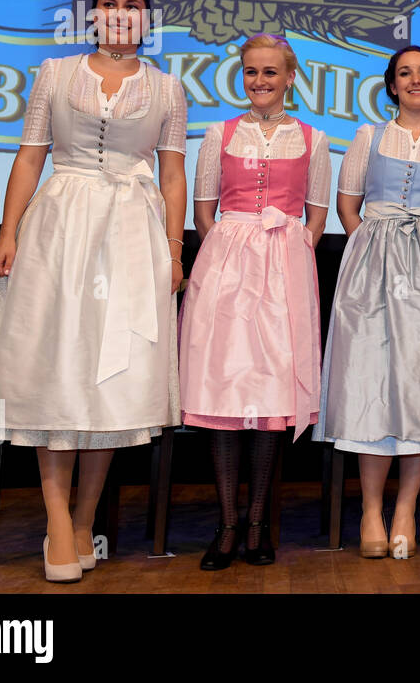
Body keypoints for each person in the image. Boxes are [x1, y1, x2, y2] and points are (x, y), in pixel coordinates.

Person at [0, 0, 186, 582]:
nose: (121, 14)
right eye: (109, 5)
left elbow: (174, 173)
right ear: (93, 15)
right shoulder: (55, 72)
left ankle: (84, 520)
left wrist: (174, 249)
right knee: (56, 368)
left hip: (132, 229)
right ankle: (56, 517)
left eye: (133, 6)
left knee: (112, 379)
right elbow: (30, 154)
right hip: (62, 224)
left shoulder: (168, 88)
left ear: (147, 19)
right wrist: (8, 231)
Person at [313, 46, 420, 560]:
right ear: (391, 85)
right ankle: (369, 510)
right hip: (371, 268)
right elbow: (347, 202)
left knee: (419, 384)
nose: (415, 80)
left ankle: (405, 508)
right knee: (371, 384)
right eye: (404, 73)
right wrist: (372, 244)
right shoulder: (368, 136)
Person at [179, 34, 328, 569]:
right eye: (251, 73)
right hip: (228, 267)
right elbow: (202, 212)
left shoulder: (313, 138)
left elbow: (317, 216)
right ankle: (226, 525)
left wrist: (290, 248)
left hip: (282, 266)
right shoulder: (218, 134)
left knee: (268, 399)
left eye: (270, 72)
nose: (260, 82)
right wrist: (230, 247)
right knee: (224, 393)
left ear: (290, 77)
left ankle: (260, 522)